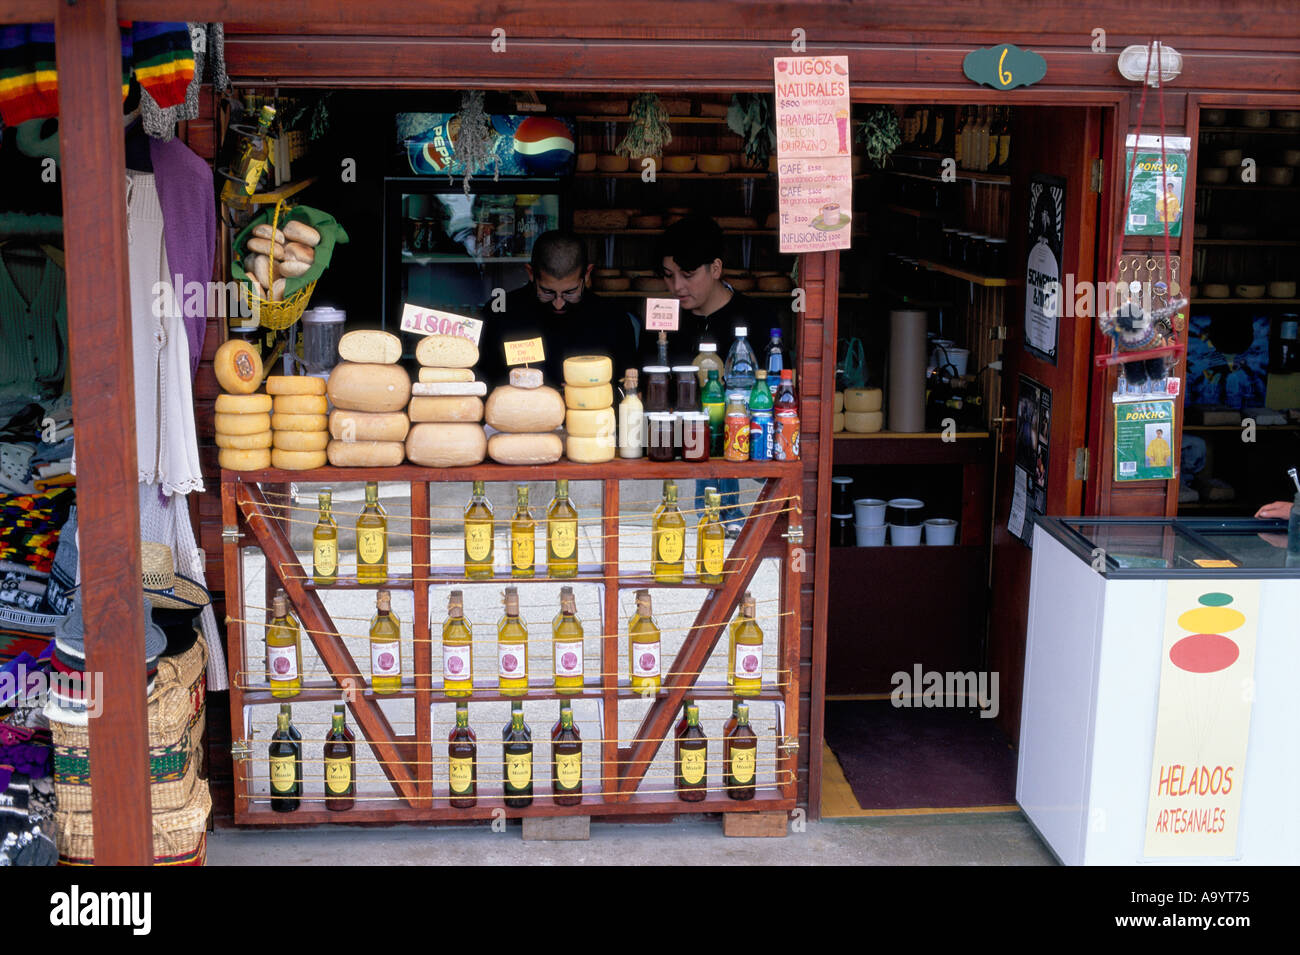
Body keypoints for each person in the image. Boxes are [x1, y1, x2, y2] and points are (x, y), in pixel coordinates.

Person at [656, 214, 793, 536]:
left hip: (746, 450)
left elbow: (780, 392)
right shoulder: (664, 319)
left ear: (715, 268)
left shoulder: (758, 319)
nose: (677, 287)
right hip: (673, 450)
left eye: (688, 275)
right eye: (669, 276)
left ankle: (727, 514)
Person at [478, 231, 637, 387]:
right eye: (547, 292)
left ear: (587, 274)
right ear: (531, 273)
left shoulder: (612, 318)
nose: (558, 304)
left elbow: (628, 387)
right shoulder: (499, 312)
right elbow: (481, 382)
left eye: (570, 293)